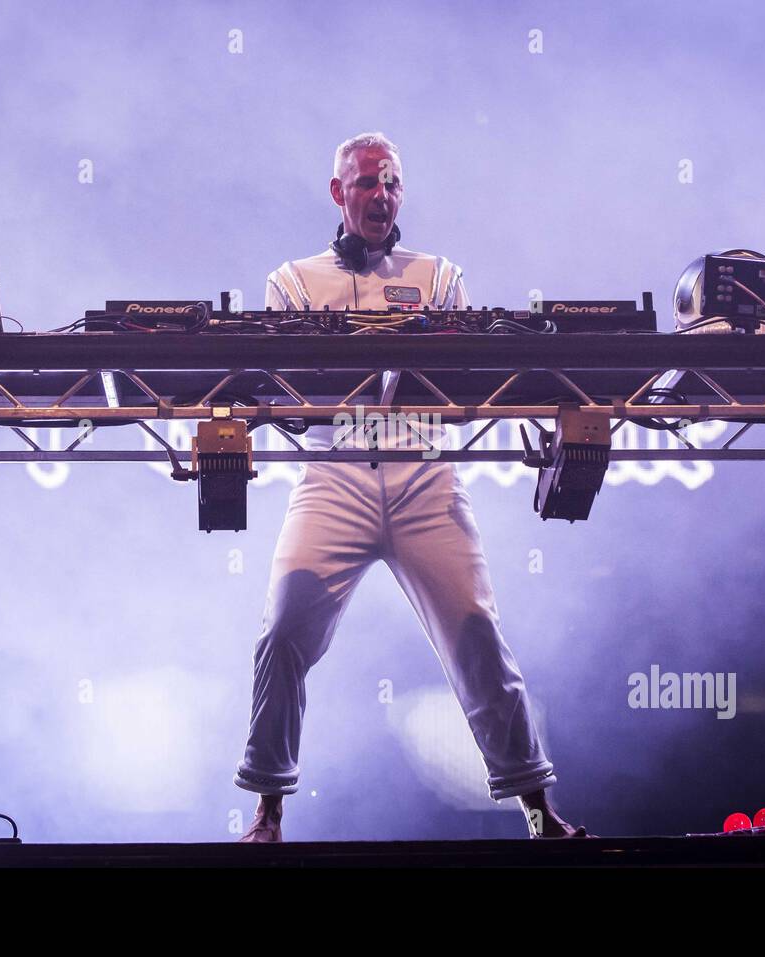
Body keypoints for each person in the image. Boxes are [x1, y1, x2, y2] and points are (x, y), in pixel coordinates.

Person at [236, 132, 586, 841]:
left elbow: (460, 386)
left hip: (424, 473)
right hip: (335, 475)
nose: (381, 194)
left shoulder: (441, 274)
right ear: (338, 192)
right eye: (367, 182)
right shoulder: (293, 280)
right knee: (281, 633)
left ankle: (539, 809)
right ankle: (268, 812)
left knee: (479, 632)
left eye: (392, 182)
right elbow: (289, 393)